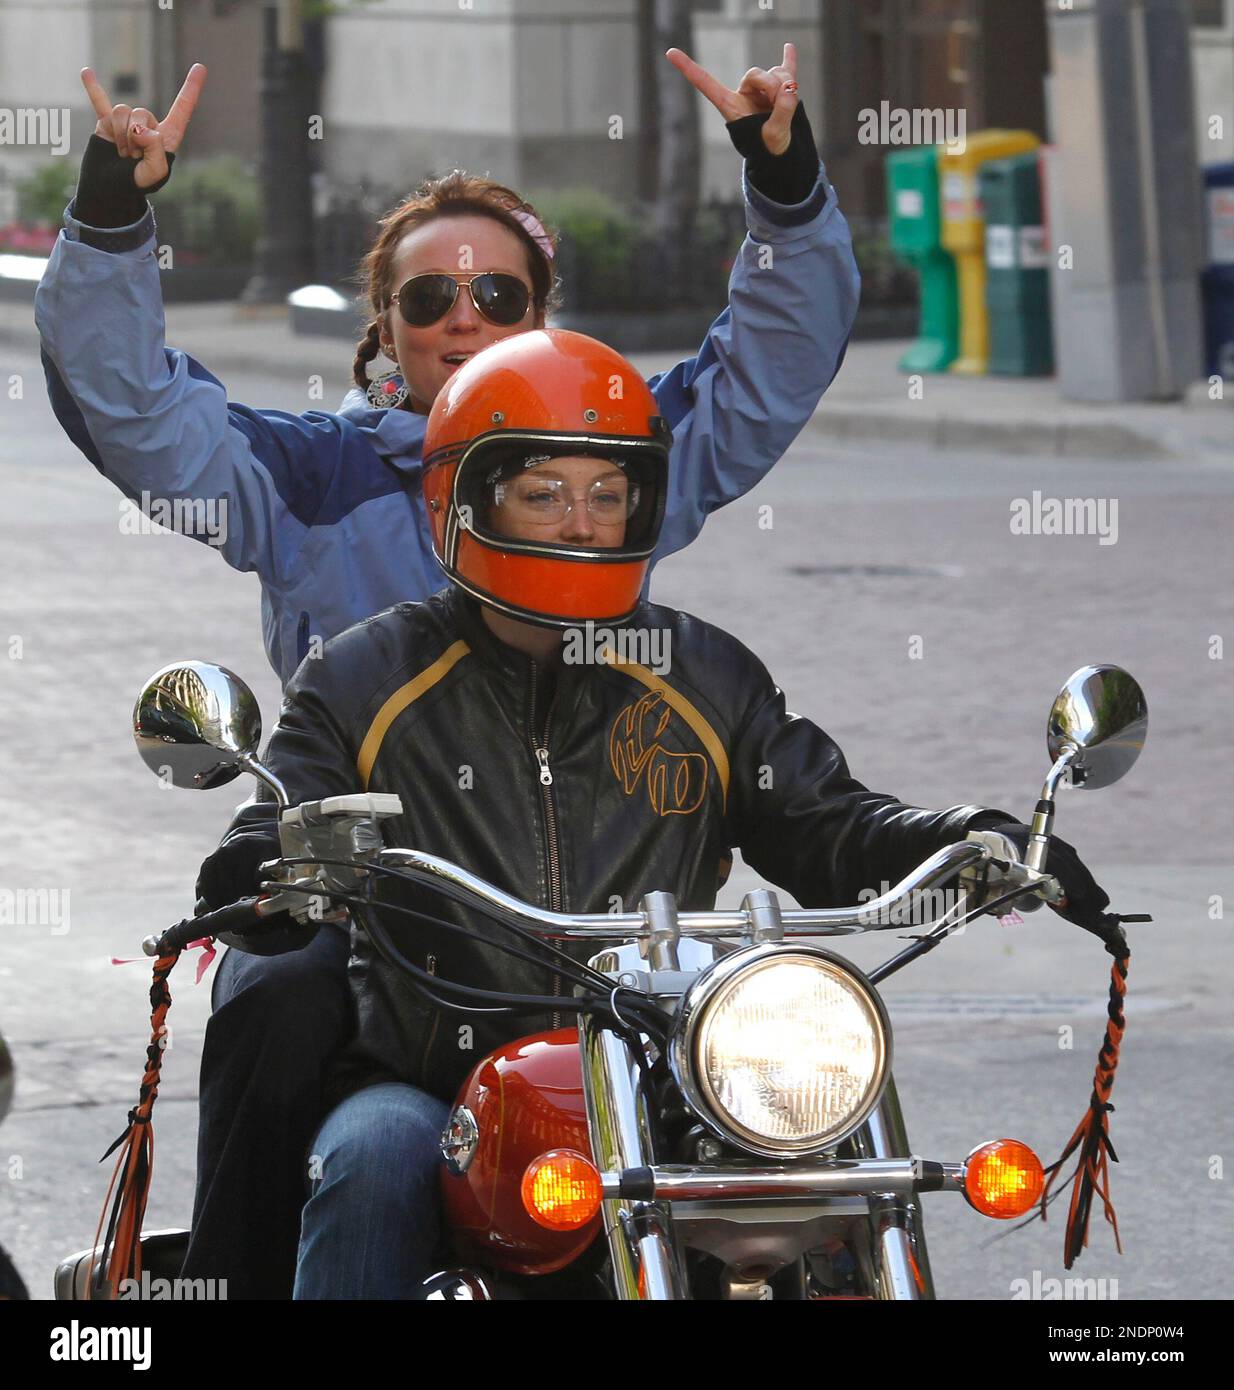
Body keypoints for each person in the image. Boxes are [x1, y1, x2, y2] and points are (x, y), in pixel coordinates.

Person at [36, 45, 863, 1298]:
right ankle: (233, 1278)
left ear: (546, 319)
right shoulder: (312, 478)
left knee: (791, 1097)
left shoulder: (621, 456)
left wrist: (784, 181)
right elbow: (133, 407)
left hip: (598, 907)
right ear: (387, 327)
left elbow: (767, 368)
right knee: (277, 996)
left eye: (498, 294)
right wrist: (111, 212)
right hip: (368, 910)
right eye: (427, 299)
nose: (463, 317)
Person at [195, 330, 1112, 1299]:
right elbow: (289, 804)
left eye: (606, 494)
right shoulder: (363, 676)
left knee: (832, 1157)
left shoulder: (702, 674)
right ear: (463, 502)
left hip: (677, 1075)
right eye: (543, 494)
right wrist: (264, 856)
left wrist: (974, 839)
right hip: (432, 1080)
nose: (582, 523)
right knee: (370, 1161)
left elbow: (829, 824)